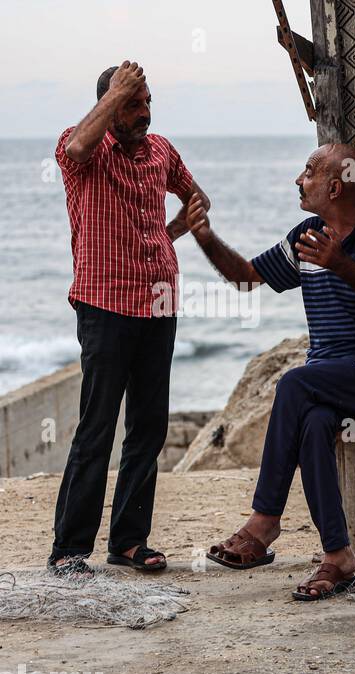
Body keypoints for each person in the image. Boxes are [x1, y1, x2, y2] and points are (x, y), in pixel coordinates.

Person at [187, 143, 355, 599]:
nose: (300, 179)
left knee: (294, 381)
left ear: (335, 187)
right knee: (314, 425)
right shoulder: (307, 234)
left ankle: (263, 522)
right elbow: (246, 278)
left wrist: (340, 263)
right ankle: (338, 556)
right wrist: (206, 239)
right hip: (331, 378)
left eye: (309, 172)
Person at [49, 62, 209, 575]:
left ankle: (129, 541)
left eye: (146, 103)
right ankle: (70, 549)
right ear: (110, 105)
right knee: (96, 428)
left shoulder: (161, 149)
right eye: (131, 104)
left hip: (159, 304)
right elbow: (76, 148)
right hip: (104, 307)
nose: (142, 113)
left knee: (148, 427)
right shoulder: (82, 149)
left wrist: (171, 232)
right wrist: (114, 90)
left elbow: (197, 198)